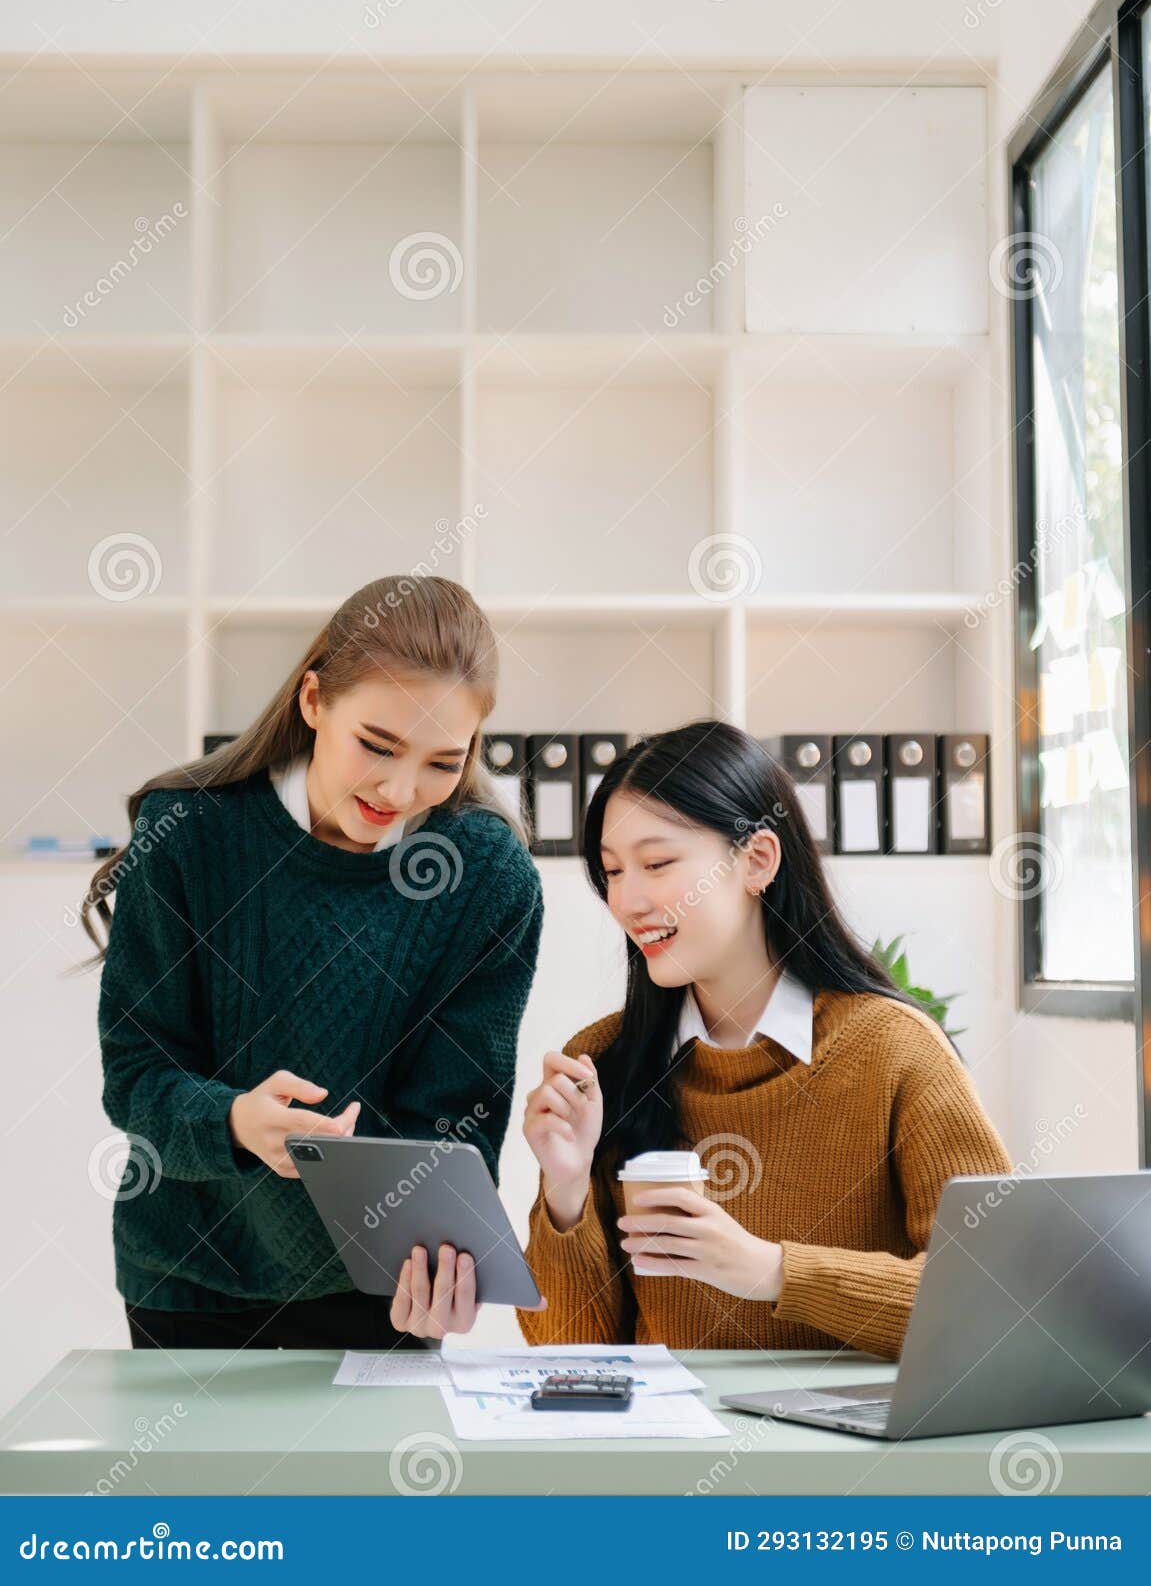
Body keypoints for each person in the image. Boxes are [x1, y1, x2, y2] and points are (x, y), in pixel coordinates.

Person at [81, 576, 544, 1351]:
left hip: (379, 1290)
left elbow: (457, 1118)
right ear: (313, 701)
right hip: (191, 1278)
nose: (400, 791)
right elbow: (136, 1075)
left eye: (443, 762)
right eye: (377, 745)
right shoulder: (190, 834)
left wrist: (442, 1268)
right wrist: (233, 1121)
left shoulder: (488, 876)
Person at [516, 719, 1012, 1360]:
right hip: (669, 1450)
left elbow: (992, 1301)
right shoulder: (607, 1059)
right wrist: (566, 1189)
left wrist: (770, 1270)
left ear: (757, 860)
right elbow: (571, 1350)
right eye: (611, 872)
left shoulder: (894, 1050)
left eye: (658, 863)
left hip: (852, 1452)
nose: (627, 900)